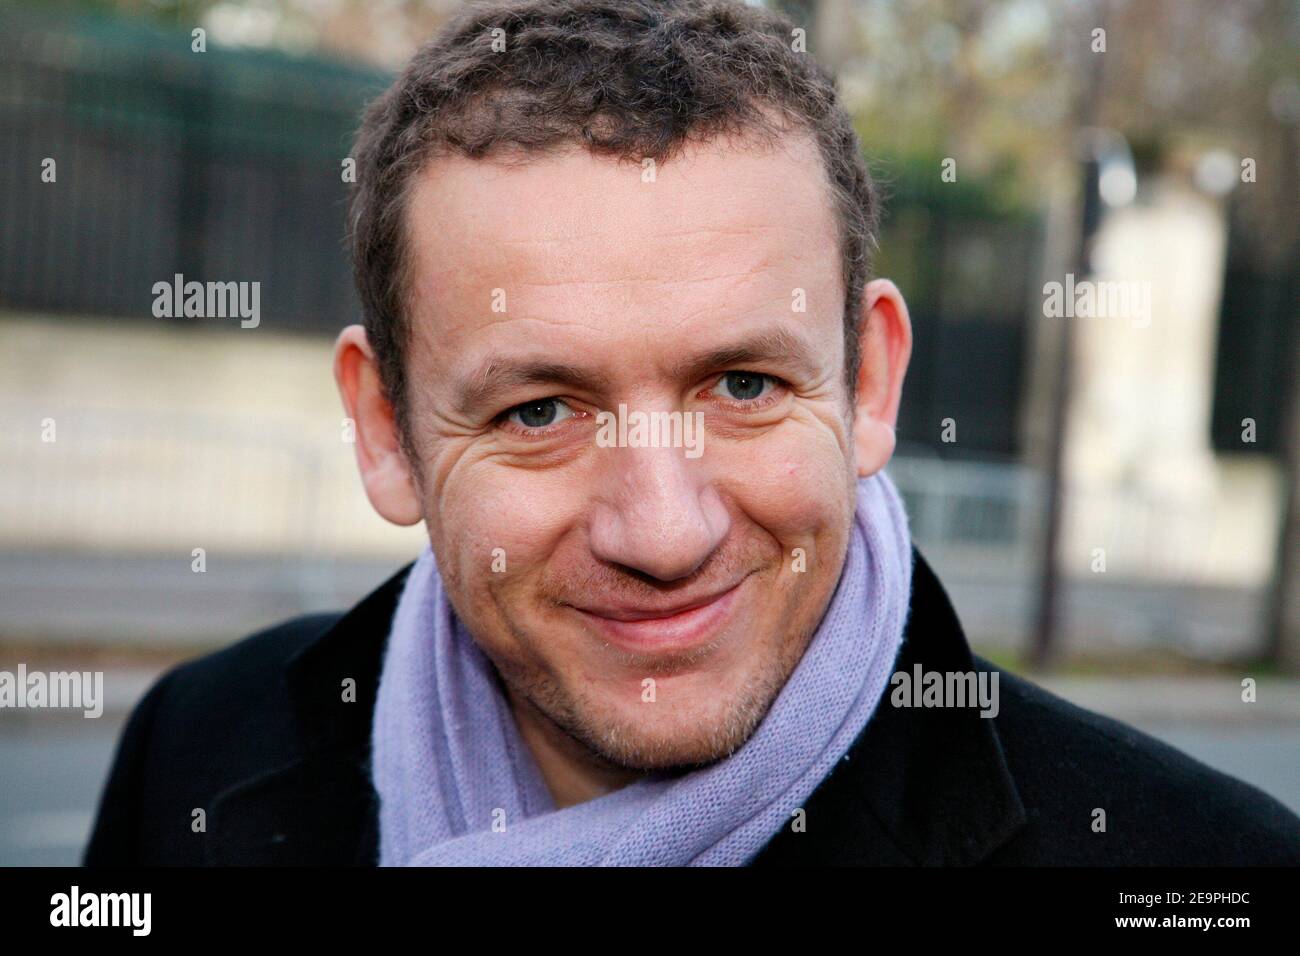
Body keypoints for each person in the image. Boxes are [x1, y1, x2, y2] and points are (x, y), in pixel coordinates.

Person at [85, 0, 1300, 866]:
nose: (662, 530)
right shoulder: (196, 749)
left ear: (868, 382)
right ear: (386, 432)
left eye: (743, 385)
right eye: (541, 410)